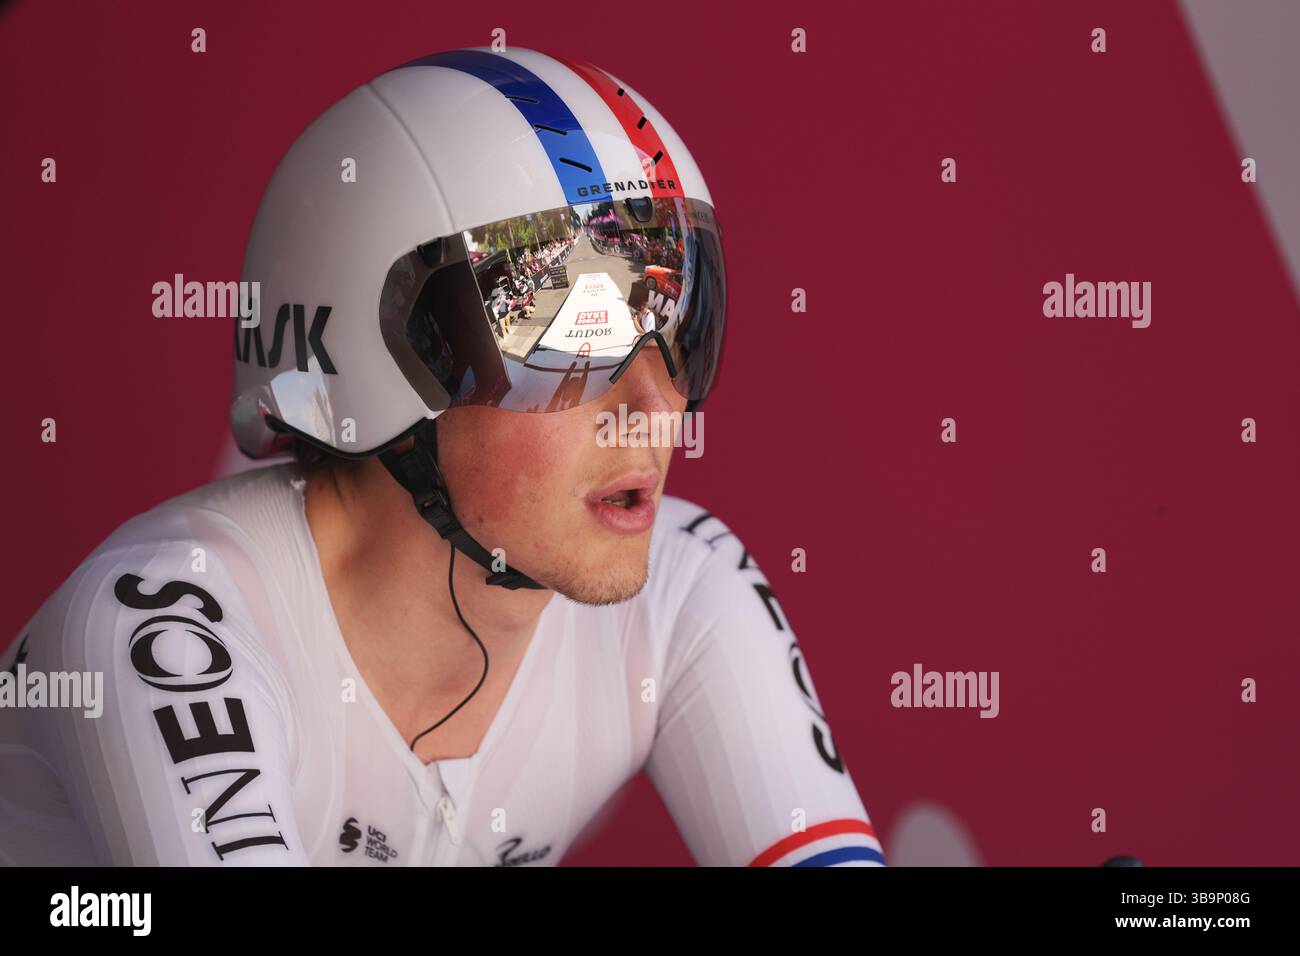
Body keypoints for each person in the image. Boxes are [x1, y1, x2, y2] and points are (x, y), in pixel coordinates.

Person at [0, 47, 885, 867]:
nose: (658, 410)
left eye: (681, 327)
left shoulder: (687, 585)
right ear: (385, 371)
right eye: (573, 338)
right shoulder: (163, 625)